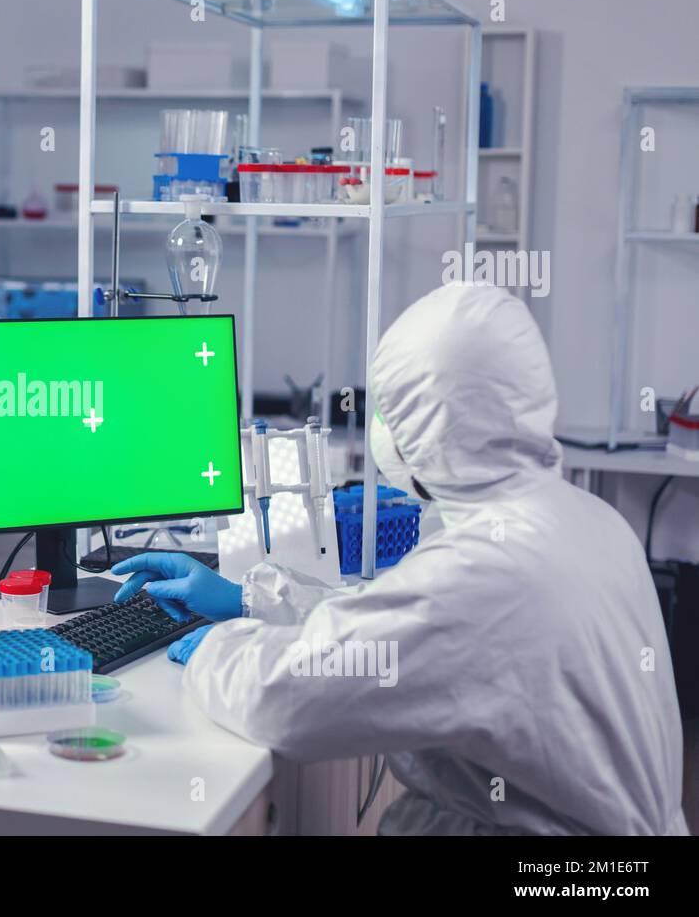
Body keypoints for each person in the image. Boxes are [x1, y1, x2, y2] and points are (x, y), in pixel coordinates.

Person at [115, 282, 688, 835]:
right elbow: (400, 625)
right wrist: (248, 598)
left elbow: (284, 699)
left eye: (390, 411)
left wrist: (214, 647)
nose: (381, 429)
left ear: (435, 422)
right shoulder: (583, 518)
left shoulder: (487, 569)